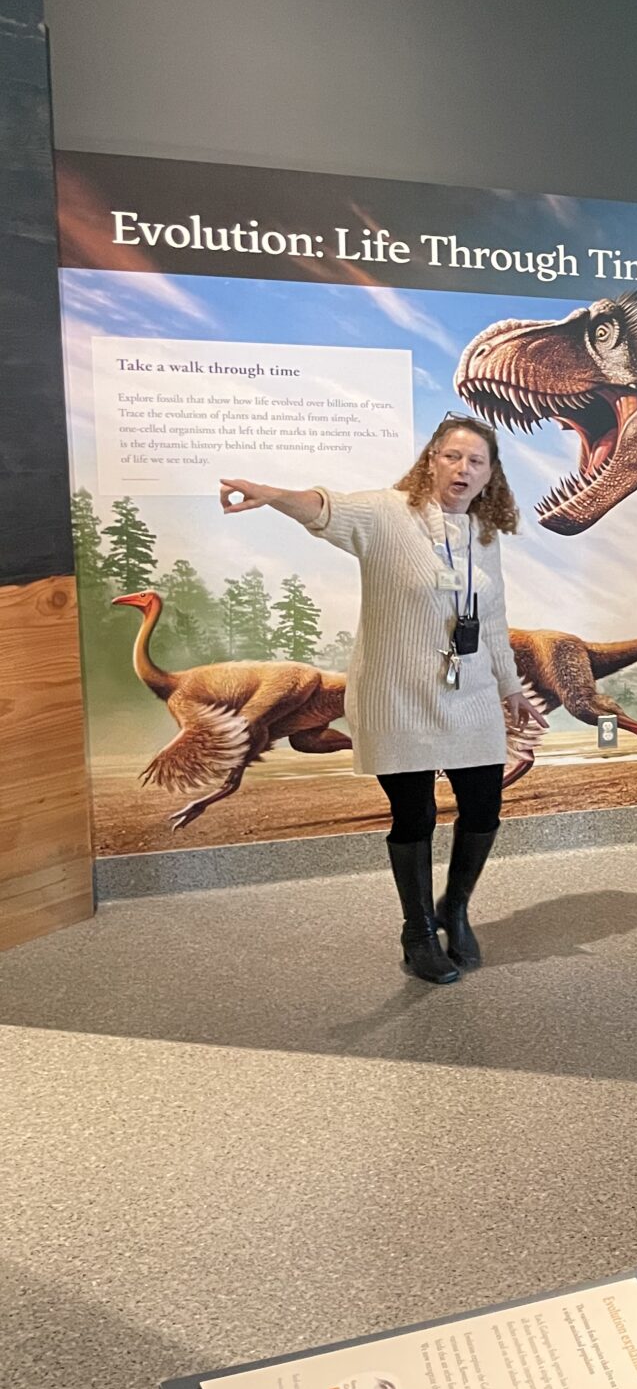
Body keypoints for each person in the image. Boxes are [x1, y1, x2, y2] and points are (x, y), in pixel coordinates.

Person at [220, 415, 547, 985]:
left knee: (484, 807)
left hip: (467, 695)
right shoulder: (387, 514)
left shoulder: (483, 536)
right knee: (414, 814)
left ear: (491, 475)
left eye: (477, 461)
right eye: (452, 456)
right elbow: (324, 508)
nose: (463, 469)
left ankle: (455, 908)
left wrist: (510, 687)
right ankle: (417, 930)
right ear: (431, 461)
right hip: (396, 695)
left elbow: (490, 620)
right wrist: (270, 494)